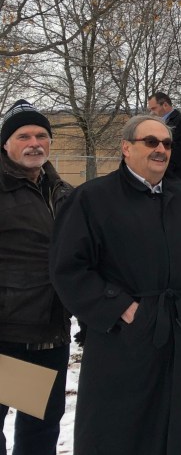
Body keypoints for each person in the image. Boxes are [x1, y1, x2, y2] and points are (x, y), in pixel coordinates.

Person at [49, 115, 181, 453]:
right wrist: (120, 307)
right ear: (126, 147)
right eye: (151, 141)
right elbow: (68, 268)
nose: (160, 149)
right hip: (122, 335)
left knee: (167, 426)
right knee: (115, 428)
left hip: (176, 333)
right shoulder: (92, 198)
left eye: (166, 143)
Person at [0, 100, 73, 455]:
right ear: (5, 143)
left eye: (42, 135)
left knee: (40, 433)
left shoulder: (63, 192)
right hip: (6, 335)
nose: (35, 143)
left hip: (50, 335)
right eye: (24, 135)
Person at [147, 91, 181, 191]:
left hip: (178, 182)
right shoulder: (158, 124)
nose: (151, 112)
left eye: (154, 108)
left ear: (165, 105)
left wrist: (162, 168)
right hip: (162, 182)